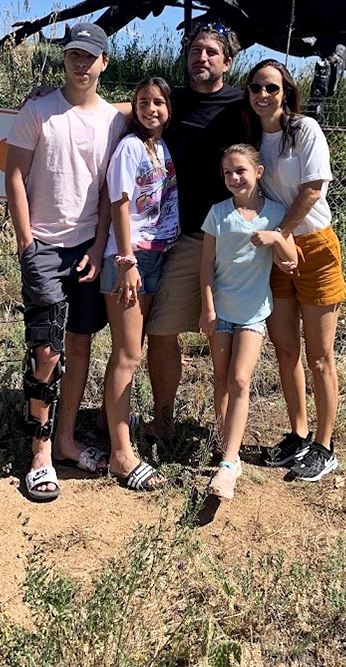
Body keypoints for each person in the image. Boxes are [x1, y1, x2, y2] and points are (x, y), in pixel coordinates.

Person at [5, 22, 127, 502]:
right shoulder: (37, 111)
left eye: (89, 56)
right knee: (45, 352)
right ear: (66, 58)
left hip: (87, 250)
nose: (81, 63)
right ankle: (38, 456)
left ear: (103, 63)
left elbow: (106, 191)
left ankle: (67, 440)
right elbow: (14, 173)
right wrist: (26, 242)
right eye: (74, 54)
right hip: (44, 249)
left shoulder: (115, 121)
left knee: (78, 348)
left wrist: (99, 248)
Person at [245, 59, 346, 482]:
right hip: (278, 251)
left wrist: (282, 234)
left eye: (271, 87)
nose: (262, 95)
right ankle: (299, 433)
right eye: (255, 87)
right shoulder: (253, 138)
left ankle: (326, 446)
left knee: (320, 357)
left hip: (313, 246)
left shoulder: (303, 130)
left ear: (285, 91)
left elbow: (312, 189)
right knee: (286, 350)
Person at [145, 22, 245, 441]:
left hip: (235, 240)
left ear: (227, 60)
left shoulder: (243, 106)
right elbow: (131, 108)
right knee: (162, 331)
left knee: (228, 339)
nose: (200, 58)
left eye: (210, 52)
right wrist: (58, 97)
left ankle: (226, 437)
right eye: (194, 50)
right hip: (186, 238)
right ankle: (163, 421)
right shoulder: (175, 102)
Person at [200, 144, 297, 499]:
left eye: (240, 170)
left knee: (241, 379)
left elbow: (292, 257)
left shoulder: (275, 212)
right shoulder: (218, 214)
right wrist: (207, 308)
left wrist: (274, 237)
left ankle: (227, 464)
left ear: (258, 172)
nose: (233, 178)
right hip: (221, 311)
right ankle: (232, 450)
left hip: (254, 311)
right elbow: (205, 267)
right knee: (222, 380)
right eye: (227, 172)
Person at [100, 77, 179, 491]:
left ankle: (107, 421)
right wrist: (127, 260)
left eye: (160, 102)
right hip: (129, 258)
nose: (151, 108)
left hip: (156, 253)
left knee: (136, 347)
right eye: (143, 102)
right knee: (128, 353)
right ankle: (121, 454)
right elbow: (121, 203)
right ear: (133, 108)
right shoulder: (130, 147)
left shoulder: (161, 148)